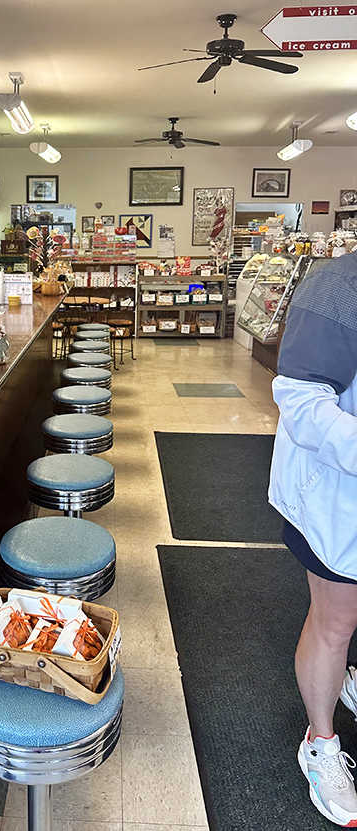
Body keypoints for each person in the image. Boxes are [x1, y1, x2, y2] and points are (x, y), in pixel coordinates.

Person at [269, 253, 357, 826]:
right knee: (336, 620)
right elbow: (300, 401)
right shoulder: (338, 285)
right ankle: (320, 742)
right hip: (336, 499)